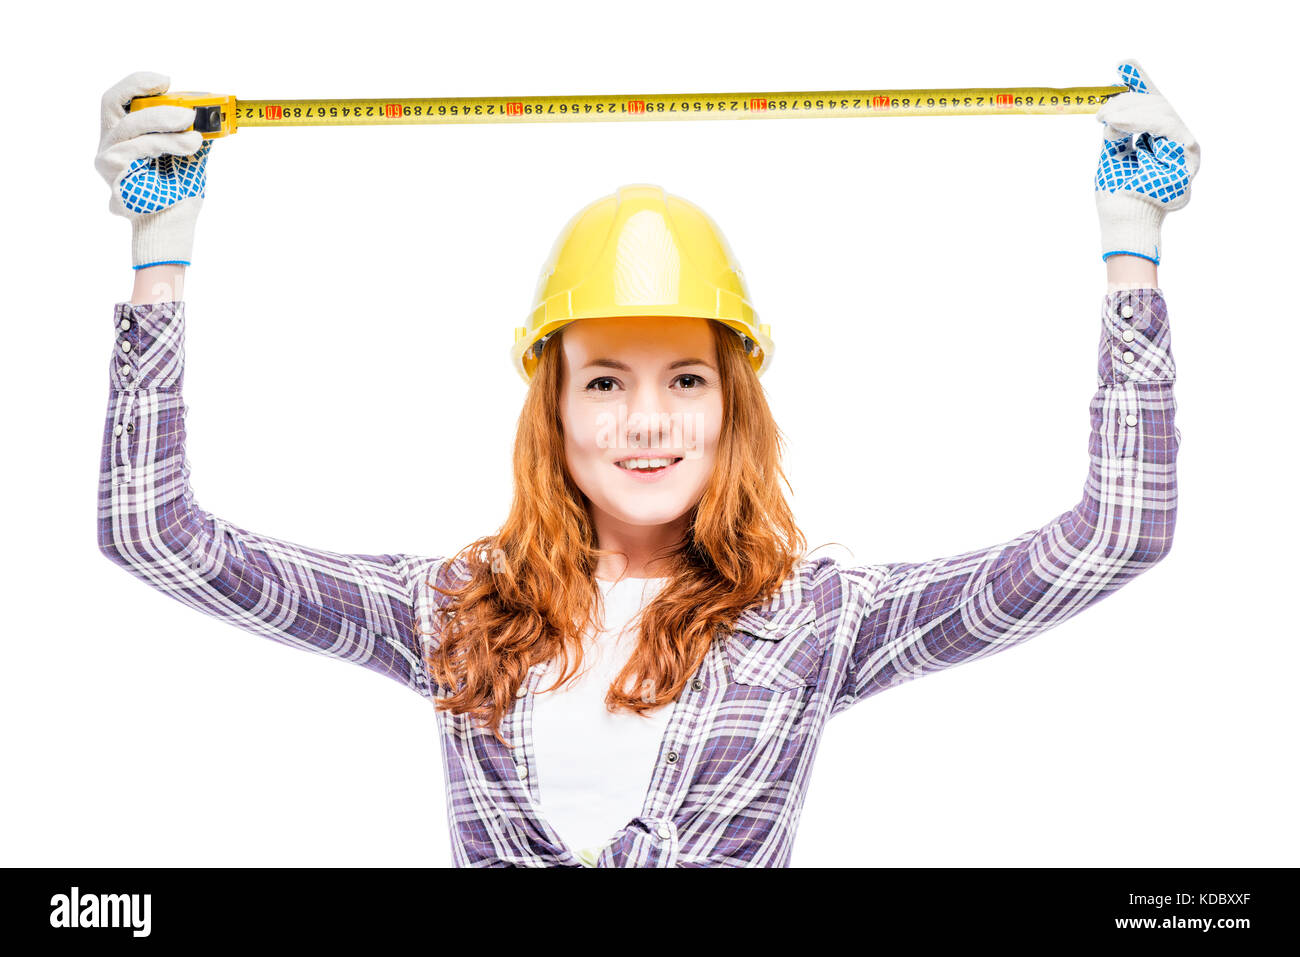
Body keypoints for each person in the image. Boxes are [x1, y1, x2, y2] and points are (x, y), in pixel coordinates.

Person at [94, 61, 1194, 868]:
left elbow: (1115, 537)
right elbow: (153, 536)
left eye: (685, 380)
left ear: (733, 410)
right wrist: (161, 254)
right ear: (555, 412)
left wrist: (1131, 248)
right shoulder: (451, 612)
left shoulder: (817, 622)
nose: (645, 424)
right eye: (606, 381)